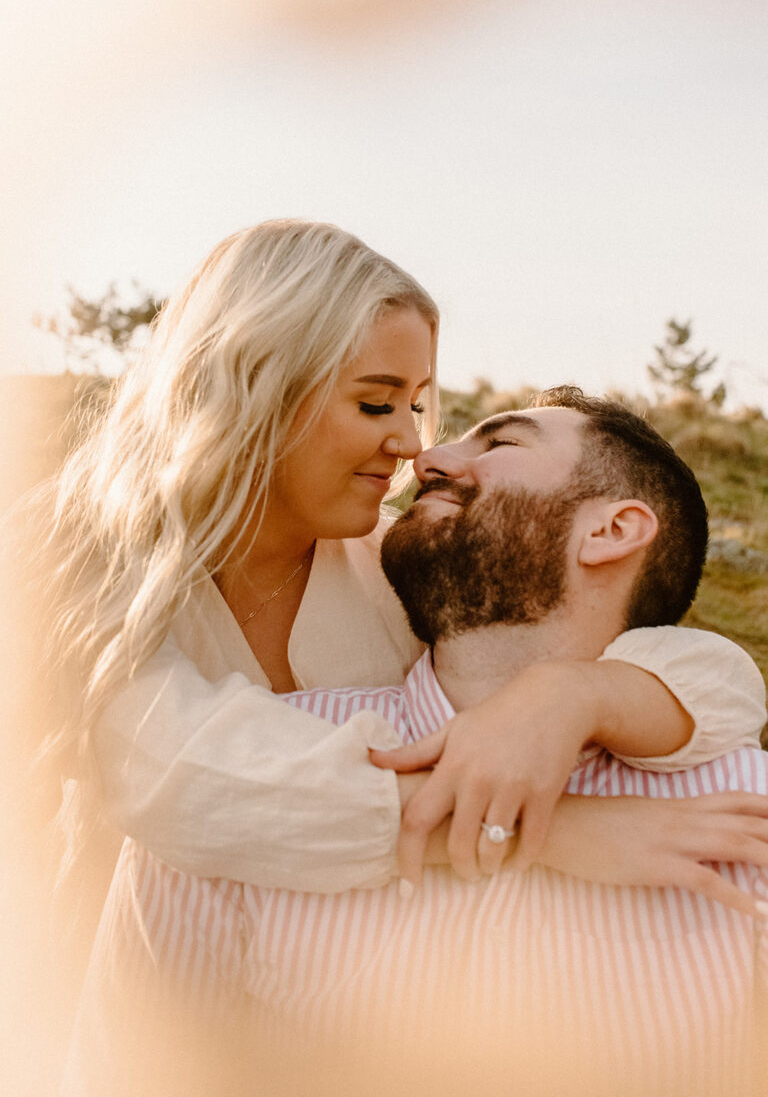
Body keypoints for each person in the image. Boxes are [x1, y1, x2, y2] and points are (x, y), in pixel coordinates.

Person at [32, 221, 763, 915]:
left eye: (415, 404)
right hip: (116, 980)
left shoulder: (401, 566)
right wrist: (552, 832)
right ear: (253, 386)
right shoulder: (65, 557)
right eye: (377, 402)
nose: (413, 443)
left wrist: (574, 695)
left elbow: (719, 681)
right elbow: (178, 779)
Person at [64, 388, 768, 1097]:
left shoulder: (745, 812)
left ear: (613, 529)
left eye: (500, 444)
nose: (427, 456)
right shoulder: (239, 778)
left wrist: (575, 694)